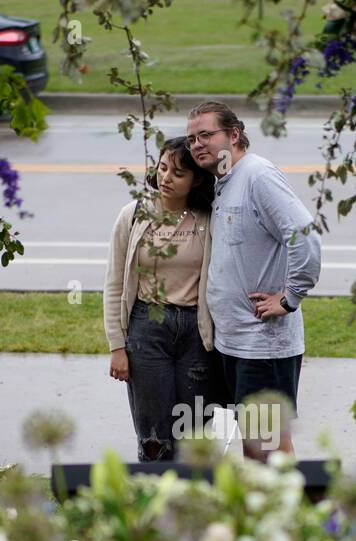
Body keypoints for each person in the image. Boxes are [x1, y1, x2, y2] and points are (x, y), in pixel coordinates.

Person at [185, 100, 322, 461]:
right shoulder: (224, 181)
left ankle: (286, 513)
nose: (197, 144)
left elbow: (304, 236)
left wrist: (290, 297)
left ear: (234, 134)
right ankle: (272, 510)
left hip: (264, 347)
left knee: (268, 446)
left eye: (206, 135)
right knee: (255, 443)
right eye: (191, 139)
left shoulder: (258, 176)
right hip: (234, 343)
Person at [103, 135, 224, 461]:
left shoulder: (208, 218)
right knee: (154, 439)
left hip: (196, 333)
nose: (166, 178)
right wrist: (117, 346)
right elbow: (115, 283)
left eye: (178, 173)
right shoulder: (133, 216)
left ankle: (191, 505)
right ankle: (153, 505)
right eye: (162, 167)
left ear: (196, 179)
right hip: (147, 328)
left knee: (193, 433)